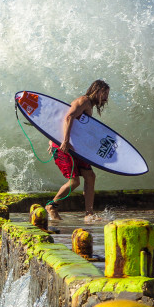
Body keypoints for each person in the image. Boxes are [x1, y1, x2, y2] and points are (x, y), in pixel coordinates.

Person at [47, 80, 110, 223]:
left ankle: (89, 214)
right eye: (104, 93)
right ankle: (52, 206)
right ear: (96, 90)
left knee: (90, 176)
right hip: (65, 145)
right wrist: (64, 140)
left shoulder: (88, 105)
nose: (106, 97)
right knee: (74, 181)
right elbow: (69, 117)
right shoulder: (84, 101)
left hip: (74, 147)